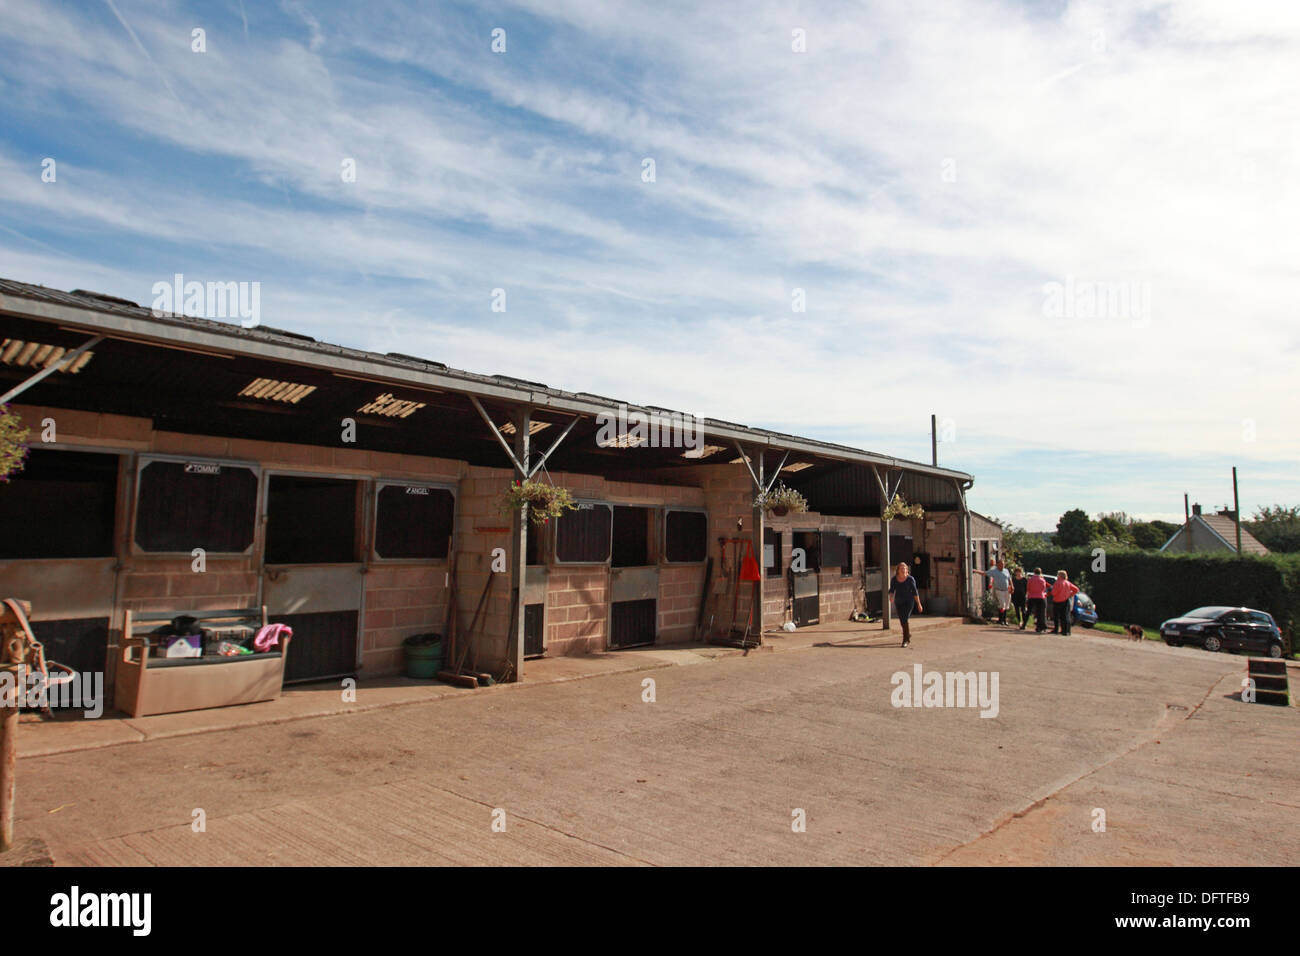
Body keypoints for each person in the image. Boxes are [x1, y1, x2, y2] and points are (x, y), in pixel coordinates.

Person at [889, 561, 922, 647]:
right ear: (898, 570)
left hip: (908, 601)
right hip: (899, 602)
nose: (903, 570)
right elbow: (892, 590)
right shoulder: (894, 579)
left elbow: (915, 592)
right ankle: (907, 633)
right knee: (902, 621)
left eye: (905, 568)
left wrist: (918, 604)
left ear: (907, 570)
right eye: (902, 568)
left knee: (905, 618)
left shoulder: (910, 579)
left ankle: (905, 640)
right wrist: (891, 597)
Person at [983, 558, 1013, 626]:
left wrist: (1012, 586)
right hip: (999, 590)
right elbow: (985, 573)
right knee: (1002, 604)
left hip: (1006, 590)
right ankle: (1001, 620)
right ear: (997, 565)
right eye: (1001, 564)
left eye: (1003, 564)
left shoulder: (1006, 570)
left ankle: (1004, 620)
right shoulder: (994, 571)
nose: (1002, 566)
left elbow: (1009, 578)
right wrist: (975, 570)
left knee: (1006, 605)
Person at [1050, 570, 1080, 636]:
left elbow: (1053, 593)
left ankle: (1056, 629)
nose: (1057, 576)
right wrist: (1070, 595)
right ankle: (1066, 631)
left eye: (1058, 575)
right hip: (1066, 601)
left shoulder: (1057, 583)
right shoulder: (1068, 583)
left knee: (1056, 616)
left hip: (1057, 601)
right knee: (1066, 616)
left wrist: (1052, 590)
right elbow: (1076, 589)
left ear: (1060, 576)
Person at [1025, 567, 1049, 633]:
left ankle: (1024, 624)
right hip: (1040, 597)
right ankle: (1040, 627)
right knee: (1040, 613)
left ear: (1034, 572)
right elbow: (1043, 588)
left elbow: (1028, 588)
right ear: (1040, 572)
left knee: (1028, 611)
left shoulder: (1030, 579)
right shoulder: (1042, 580)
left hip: (1032, 596)